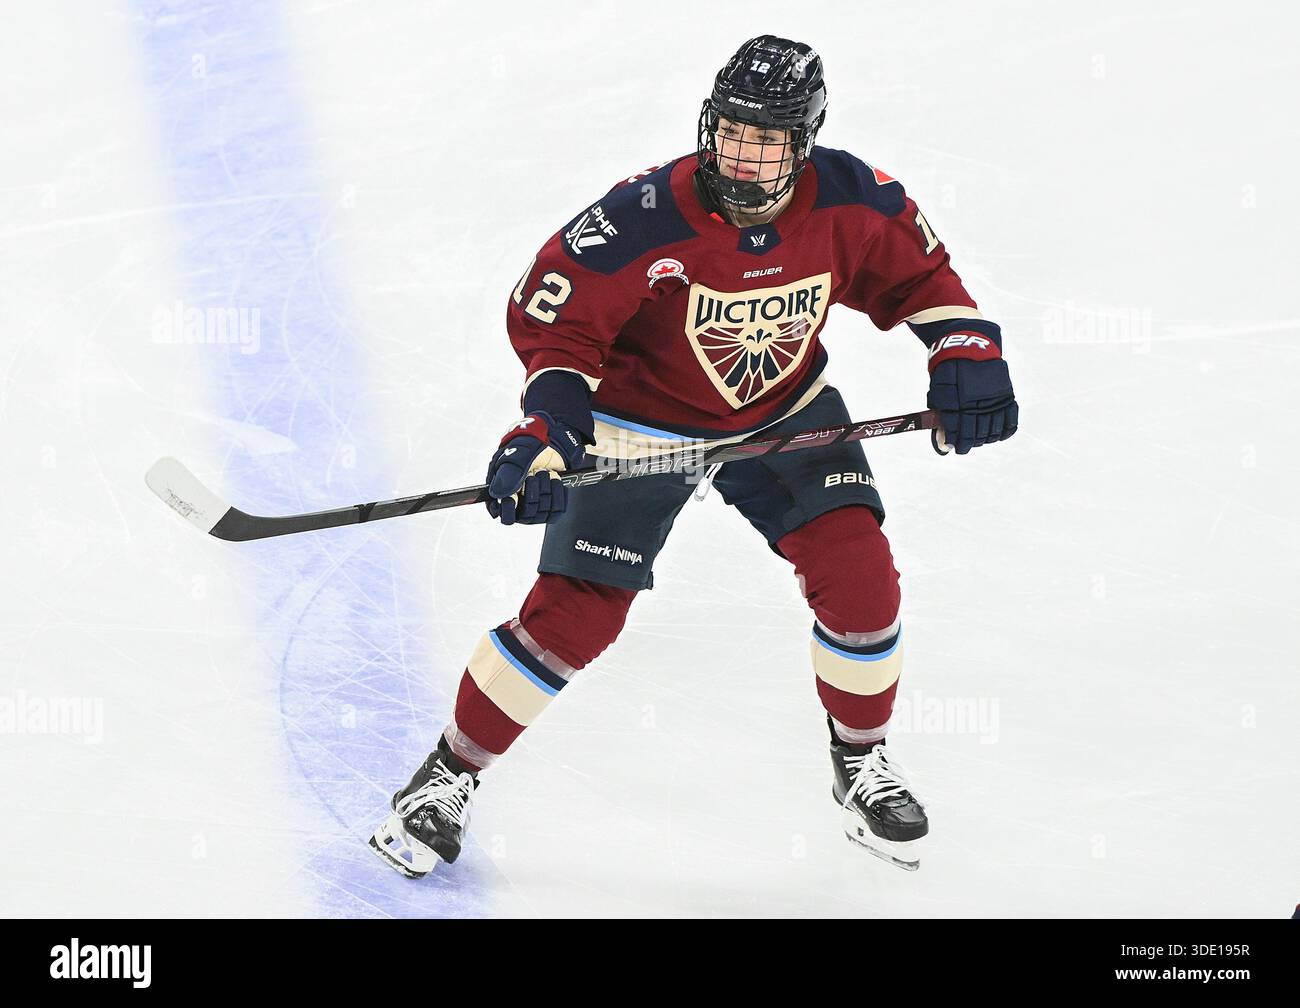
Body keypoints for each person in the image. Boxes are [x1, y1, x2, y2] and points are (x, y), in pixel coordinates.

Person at [370, 35, 1018, 879]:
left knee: (862, 579)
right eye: (731, 131)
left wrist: (964, 349)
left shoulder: (855, 199)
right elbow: (558, 329)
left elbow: (924, 280)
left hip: (785, 413)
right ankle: (443, 777)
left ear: (805, 140)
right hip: (642, 426)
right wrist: (547, 431)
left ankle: (859, 758)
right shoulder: (640, 220)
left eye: (767, 139)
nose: (742, 155)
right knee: (577, 613)